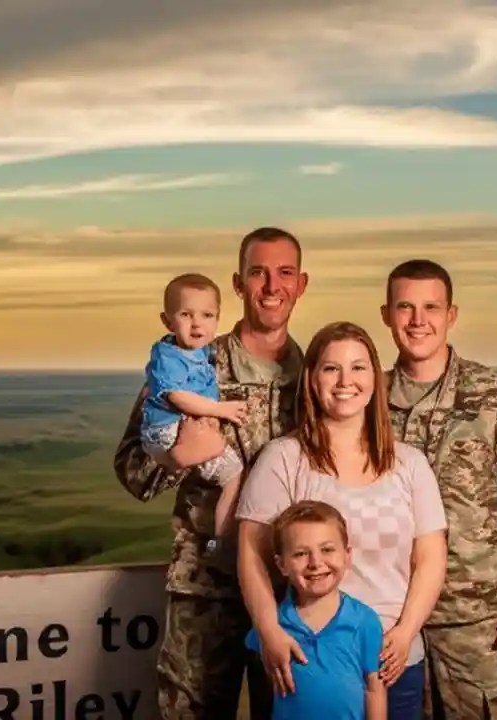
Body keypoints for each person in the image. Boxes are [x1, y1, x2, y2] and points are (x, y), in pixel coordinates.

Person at [114, 227, 309, 720]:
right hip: (207, 587)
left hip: (292, 592)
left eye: (284, 273)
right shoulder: (191, 361)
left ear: (301, 284)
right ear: (238, 284)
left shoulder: (318, 376)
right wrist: (179, 456)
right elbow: (134, 471)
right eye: (258, 273)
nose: (271, 286)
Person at [379, 259, 497, 720]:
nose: (418, 320)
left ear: (452, 315)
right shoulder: (368, 401)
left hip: (480, 627)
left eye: (431, 307)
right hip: (391, 620)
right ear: (386, 315)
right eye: (405, 307)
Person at [237, 321, 449, 720]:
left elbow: (431, 559)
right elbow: (251, 554)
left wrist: (405, 633)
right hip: (304, 657)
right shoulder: (283, 458)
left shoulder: (410, 464)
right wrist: (269, 631)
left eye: (358, 367)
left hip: (391, 657)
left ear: (375, 378)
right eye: (331, 368)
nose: (345, 380)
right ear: (312, 379)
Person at [140, 272, 249, 560]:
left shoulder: (203, 353)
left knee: (233, 475)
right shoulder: (168, 357)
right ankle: (221, 541)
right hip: (168, 432)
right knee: (234, 475)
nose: (197, 323)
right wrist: (176, 459)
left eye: (207, 315)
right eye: (186, 314)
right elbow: (176, 396)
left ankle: (224, 540)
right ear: (167, 321)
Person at [245, 500, 387, 720]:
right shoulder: (273, 627)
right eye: (301, 553)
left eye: (327, 549)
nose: (315, 562)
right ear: (281, 564)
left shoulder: (364, 621)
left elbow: (374, 689)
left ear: (347, 555)